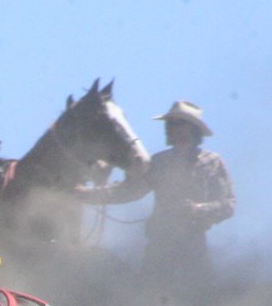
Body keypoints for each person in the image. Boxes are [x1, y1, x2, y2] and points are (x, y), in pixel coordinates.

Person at [74, 100, 235, 281]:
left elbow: (228, 205)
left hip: (193, 245)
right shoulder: (159, 162)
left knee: (197, 294)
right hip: (160, 245)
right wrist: (88, 195)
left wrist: (197, 209)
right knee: (150, 291)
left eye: (174, 123)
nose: (168, 128)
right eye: (168, 124)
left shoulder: (212, 162)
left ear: (190, 128)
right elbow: (129, 190)